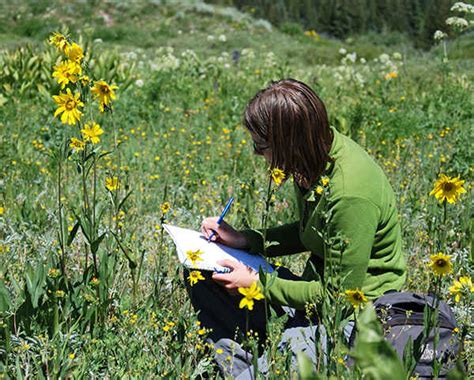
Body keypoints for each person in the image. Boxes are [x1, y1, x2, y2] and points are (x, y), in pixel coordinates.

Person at [188, 78, 407, 378]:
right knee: (202, 273)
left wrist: (258, 284)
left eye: (260, 146)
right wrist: (246, 240)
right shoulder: (313, 162)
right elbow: (311, 232)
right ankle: (245, 365)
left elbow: (339, 296)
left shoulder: (349, 192)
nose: (256, 154)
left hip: (352, 315)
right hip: (312, 297)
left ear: (289, 143)